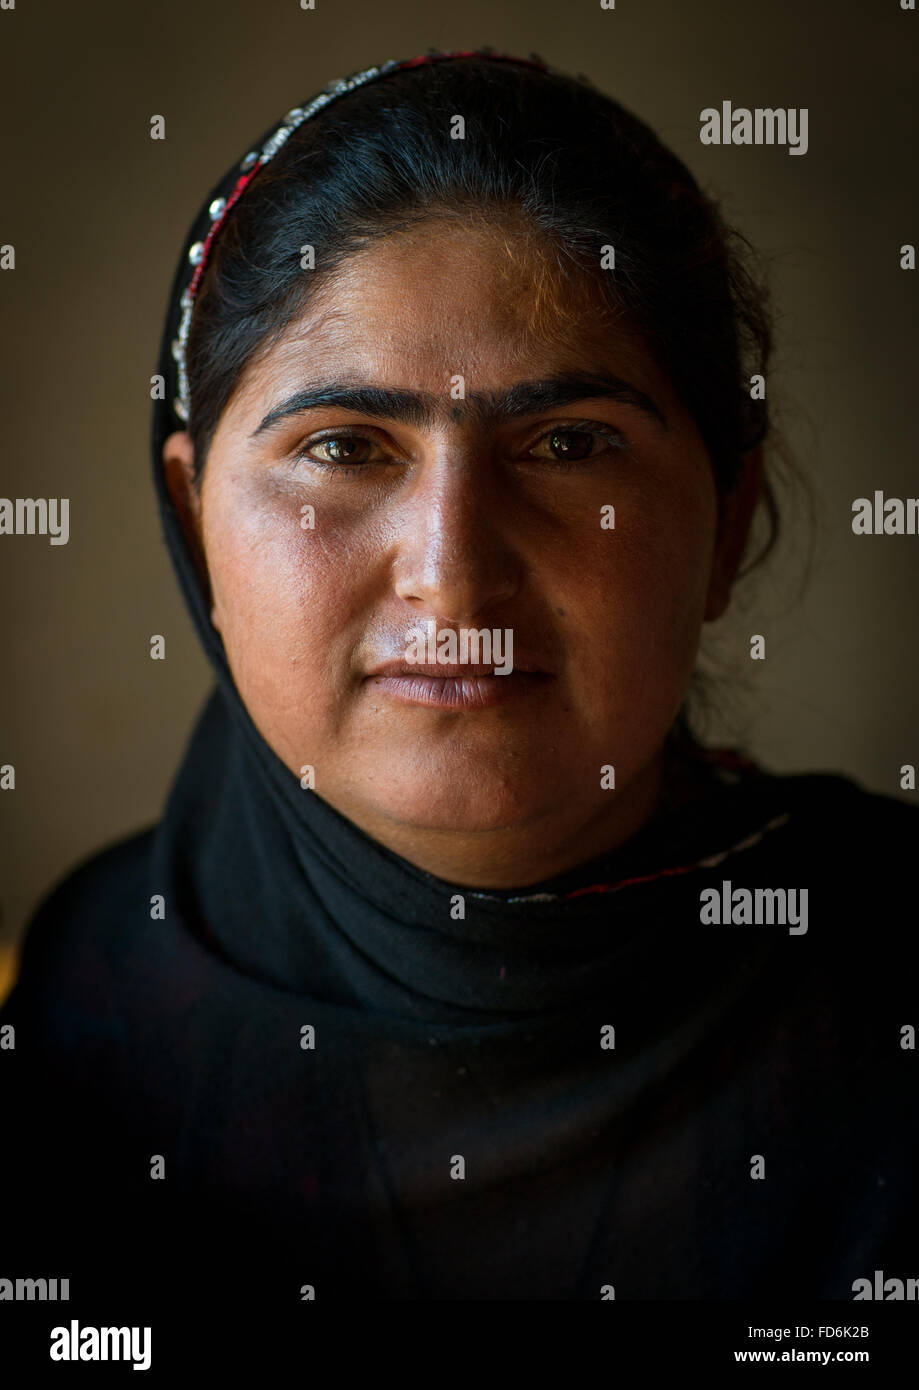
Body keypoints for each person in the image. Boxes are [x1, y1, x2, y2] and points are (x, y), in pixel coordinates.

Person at [1, 48, 916, 1307]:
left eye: (567, 443)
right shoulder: (74, 1001)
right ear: (192, 513)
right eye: (344, 446)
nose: (453, 574)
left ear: (729, 513)